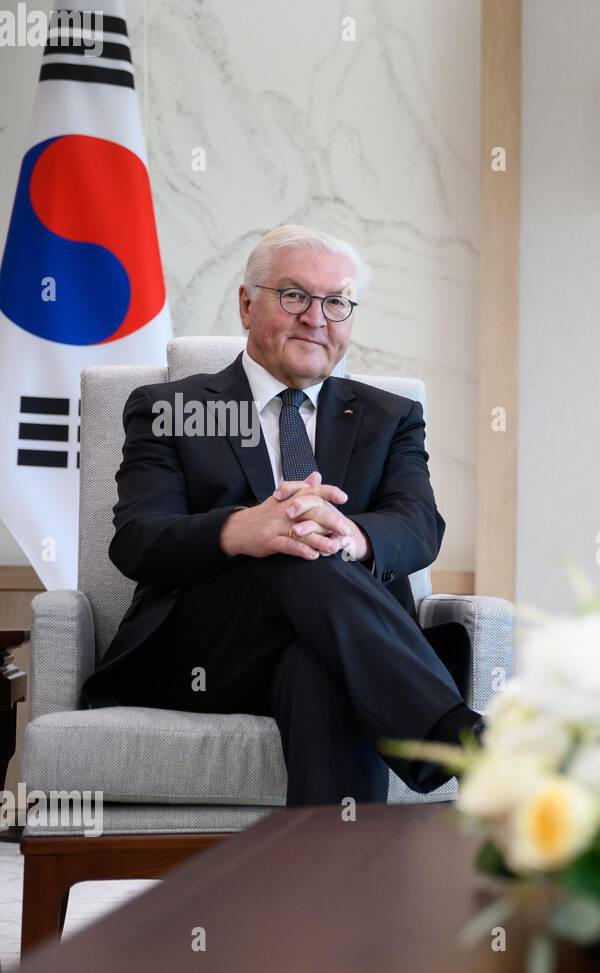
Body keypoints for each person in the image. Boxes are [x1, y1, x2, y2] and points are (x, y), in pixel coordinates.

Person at [81, 224, 478, 805]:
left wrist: (351, 538)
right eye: (294, 295)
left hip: (334, 646)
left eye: (336, 301)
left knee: (320, 661)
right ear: (247, 303)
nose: (316, 317)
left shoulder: (390, 416)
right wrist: (243, 531)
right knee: (294, 548)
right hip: (205, 651)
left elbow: (419, 525)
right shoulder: (174, 408)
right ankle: (455, 735)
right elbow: (137, 540)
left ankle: (324, 891)